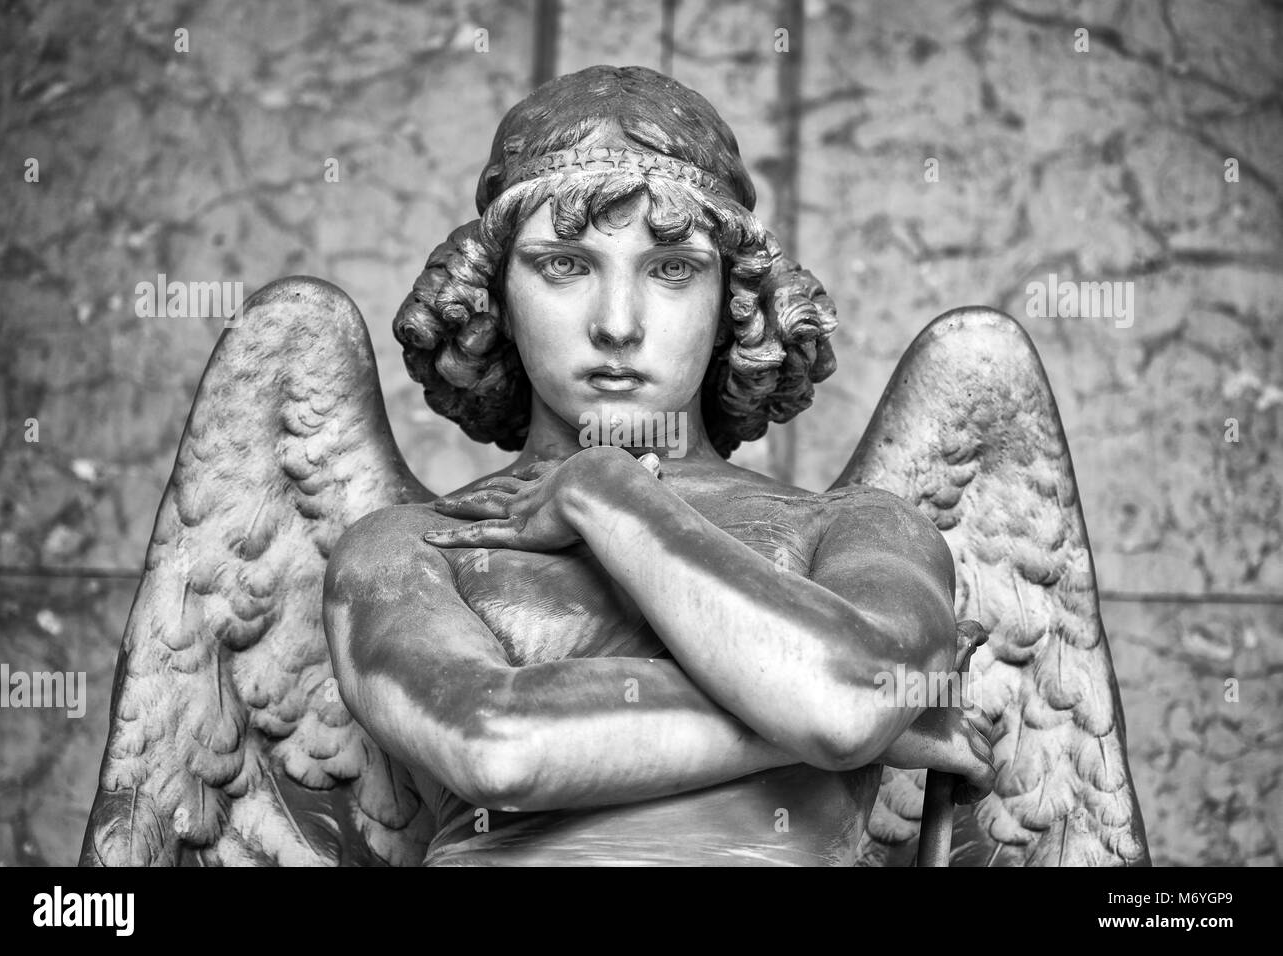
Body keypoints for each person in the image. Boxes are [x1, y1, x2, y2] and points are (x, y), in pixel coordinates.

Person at [321, 64, 995, 866]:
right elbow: (495, 748)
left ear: (732, 306)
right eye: (564, 265)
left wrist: (603, 492)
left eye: (672, 268)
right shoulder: (403, 548)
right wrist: (861, 717)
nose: (617, 324)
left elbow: (846, 704)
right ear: (496, 296)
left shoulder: (859, 529)